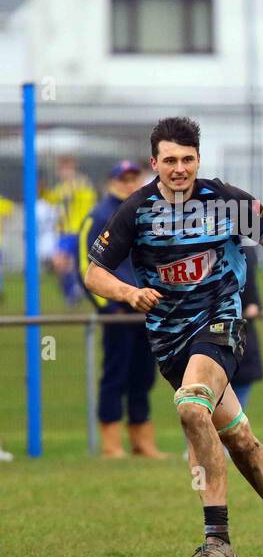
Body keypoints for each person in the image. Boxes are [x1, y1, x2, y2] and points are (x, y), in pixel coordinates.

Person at [83, 116, 263, 557]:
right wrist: (129, 293)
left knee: (191, 406)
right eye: (169, 160)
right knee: (242, 441)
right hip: (169, 341)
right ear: (155, 162)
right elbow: (95, 272)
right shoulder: (136, 209)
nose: (179, 168)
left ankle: (218, 538)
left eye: (187, 159)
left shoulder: (226, 199)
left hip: (220, 323)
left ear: (198, 161)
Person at [77, 160, 165, 459]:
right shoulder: (99, 215)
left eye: (133, 178)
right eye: (123, 178)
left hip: (146, 309)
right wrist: (105, 308)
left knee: (144, 375)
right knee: (116, 375)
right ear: (110, 182)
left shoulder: (146, 212)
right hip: (117, 311)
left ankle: (142, 441)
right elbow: (84, 266)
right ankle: (111, 443)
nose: (129, 183)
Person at [44, 156, 97, 305]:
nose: (63, 172)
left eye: (66, 168)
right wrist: (43, 192)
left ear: (72, 168)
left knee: (80, 265)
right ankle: (71, 291)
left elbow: (89, 199)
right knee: (59, 262)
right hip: (65, 232)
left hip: (80, 231)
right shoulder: (61, 188)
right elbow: (52, 199)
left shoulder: (82, 184)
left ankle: (75, 290)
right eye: (61, 169)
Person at [231, 247, 263, 406]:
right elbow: (253, 303)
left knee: (201, 418)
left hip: (239, 350)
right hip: (240, 349)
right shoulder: (246, 250)